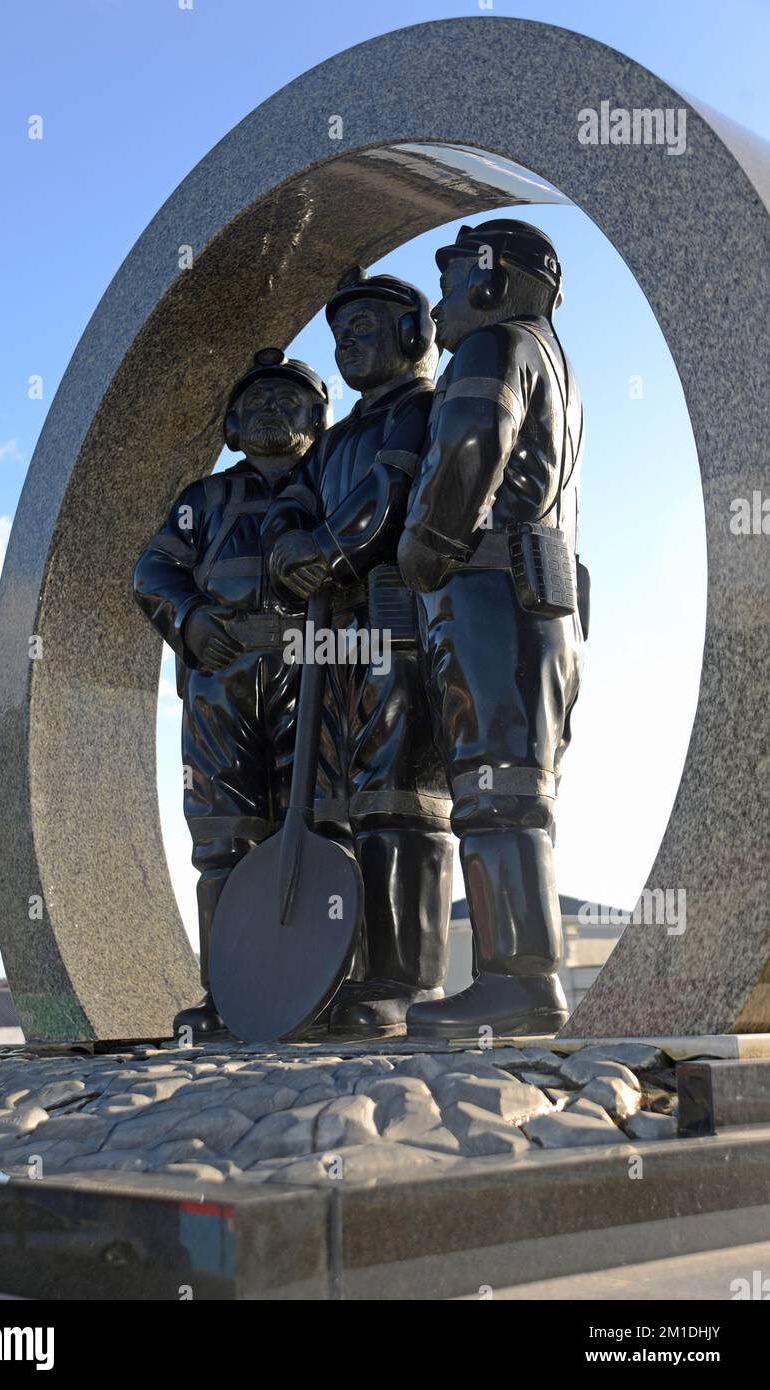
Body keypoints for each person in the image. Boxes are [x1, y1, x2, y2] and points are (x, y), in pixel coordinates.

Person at [397, 220, 588, 1039]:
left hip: (487, 594)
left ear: (489, 281)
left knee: (492, 789)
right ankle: (520, 977)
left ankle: (517, 983)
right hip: (542, 600)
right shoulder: (558, 367)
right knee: (516, 791)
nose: (438, 309)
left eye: (448, 285)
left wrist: (424, 547)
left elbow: (471, 439)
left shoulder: (493, 348)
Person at [268, 267, 453, 1038]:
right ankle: (338, 972)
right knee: (333, 805)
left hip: (399, 632)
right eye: (339, 334)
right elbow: (288, 515)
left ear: (414, 335)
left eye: (365, 327)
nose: (348, 343)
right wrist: (291, 554)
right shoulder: (331, 441)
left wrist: (324, 549)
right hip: (331, 642)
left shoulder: (422, 411)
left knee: (399, 800)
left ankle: (405, 978)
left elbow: (387, 499)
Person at [133, 348, 330, 1037]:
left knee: (316, 823)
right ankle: (226, 999)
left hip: (315, 673)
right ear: (231, 426)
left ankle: (317, 995)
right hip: (221, 678)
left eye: (289, 401)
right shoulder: (203, 500)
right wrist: (188, 620)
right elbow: (154, 570)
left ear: (318, 418)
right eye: (257, 404)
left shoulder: (336, 484)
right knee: (221, 839)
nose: (272, 412)